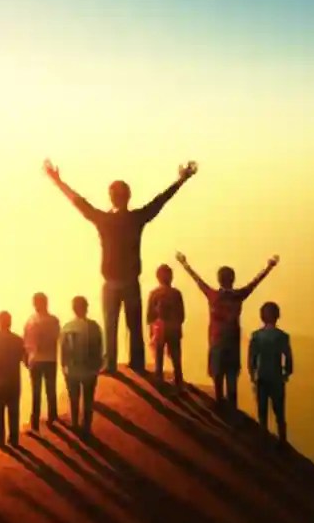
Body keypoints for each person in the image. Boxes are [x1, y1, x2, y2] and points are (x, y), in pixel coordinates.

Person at [43, 158, 198, 374]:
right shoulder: (136, 218)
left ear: (111, 197)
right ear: (128, 197)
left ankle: (111, 363)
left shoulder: (104, 219)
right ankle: (136, 362)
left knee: (111, 325)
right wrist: (181, 180)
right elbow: (160, 201)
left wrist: (56, 180)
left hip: (111, 282)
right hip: (131, 282)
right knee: (133, 326)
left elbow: (77, 201)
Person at [177, 252, 279, 412]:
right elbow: (255, 282)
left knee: (217, 377)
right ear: (232, 279)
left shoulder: (213, 296)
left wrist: (185, 264)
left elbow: (197, 280)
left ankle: (219, 407)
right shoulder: (238, 296)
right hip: (232, 344)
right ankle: (232, 411)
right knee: (231, 379)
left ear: (219, 279)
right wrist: (269, 267)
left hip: (217, 342)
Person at [249, 302, 294, 446]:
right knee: (279, 413)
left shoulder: (256, 336)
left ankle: (263, 441)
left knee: (263, 412)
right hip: (276, 378)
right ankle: (282, 442)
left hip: (261, 377)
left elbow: (252, 358)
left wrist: (252, 375)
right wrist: (286, 373)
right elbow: (288, 358)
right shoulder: (282, 336)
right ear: (277, 316)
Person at [60, 295, 104, 436]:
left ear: (73, 309)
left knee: (74, 397)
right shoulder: (94, 326)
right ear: (87, 308)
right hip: (90, 369)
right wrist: (98, 365)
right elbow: (99, 347)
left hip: (72, 369)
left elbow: (63, 349)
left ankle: (74, 423)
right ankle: (86, 426)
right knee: (88, 398)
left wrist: (63, 366)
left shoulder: (67, 327)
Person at [0, 311, 26, 448]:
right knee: (13, 410)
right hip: (13, 380)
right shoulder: (17, 340)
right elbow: (24, 359)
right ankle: (14, 439)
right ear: (10, 322)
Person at [23, 293, 61, 431]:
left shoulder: (31, 321)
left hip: (37, 360)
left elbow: (25, 342)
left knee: (38, 391)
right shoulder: (53, 320)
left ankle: (37, 421)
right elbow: (56, 338)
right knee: (48, 390)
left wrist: (26, 359)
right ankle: (51, 417)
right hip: (48, 359)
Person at [146, 264, 186, 391]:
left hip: (160, 328)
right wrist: (177, 325)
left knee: (159, 355)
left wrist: (151, 331)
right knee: (176, 356)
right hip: (174, 328)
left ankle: (159, 379)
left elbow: (150, 315)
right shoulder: (176, 293)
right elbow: (182, 314)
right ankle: (178, 381)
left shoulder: (154, 293)